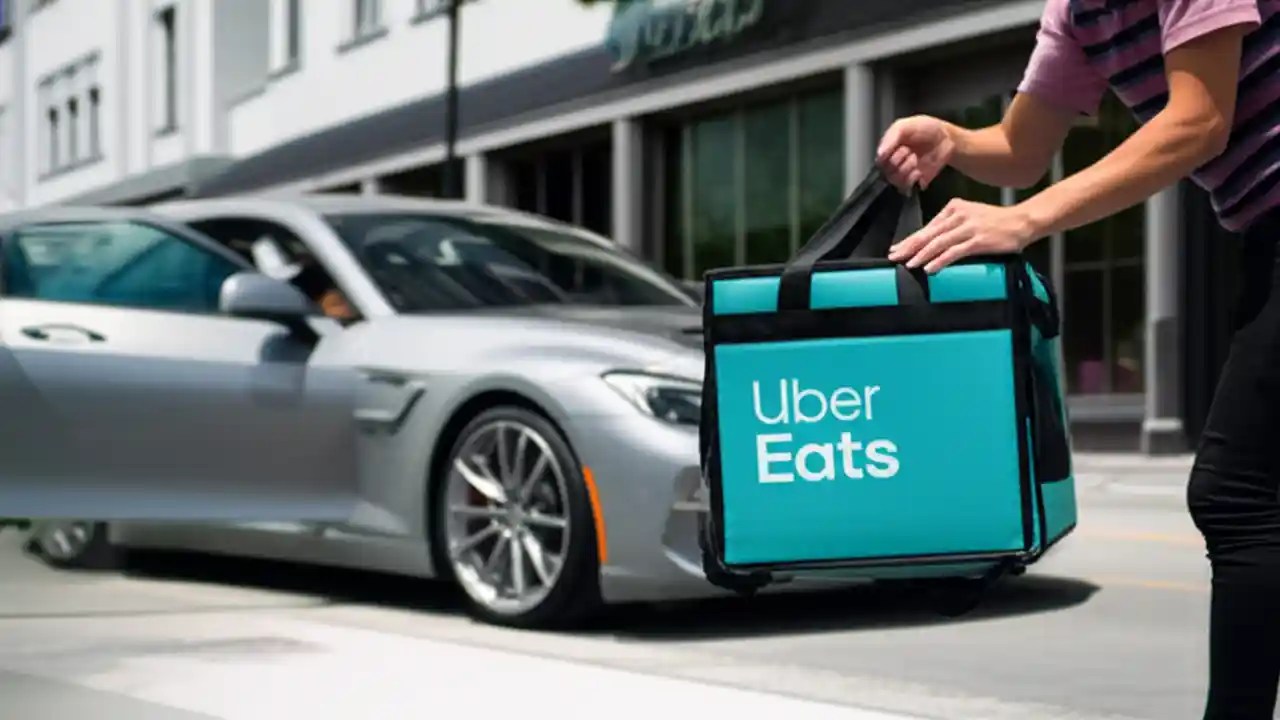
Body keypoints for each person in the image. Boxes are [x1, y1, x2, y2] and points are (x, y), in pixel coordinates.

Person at [874, 1, 1276, 717]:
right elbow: (1022, 148)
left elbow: (1199, 120)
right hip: (1262, 237)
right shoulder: (1075, 12)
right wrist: (951, 141)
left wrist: (1025, 220)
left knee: (1236, 497)